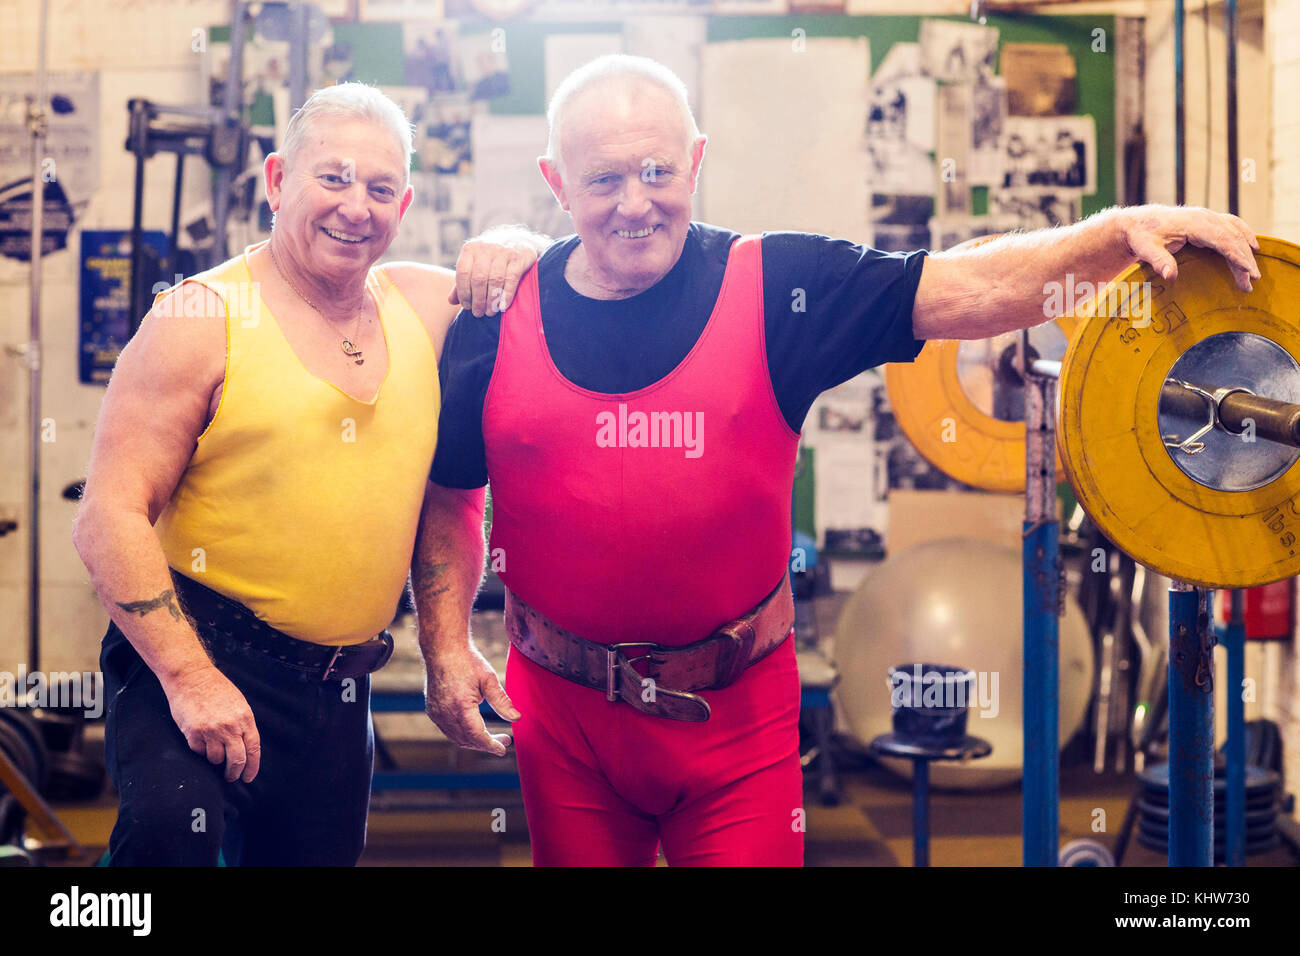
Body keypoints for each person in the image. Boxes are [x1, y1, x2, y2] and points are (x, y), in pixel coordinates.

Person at [412, 54, 1261, 867]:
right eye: (602, 180)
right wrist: (446, 649)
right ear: (557, 182)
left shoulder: (780, 287)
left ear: (696, 162)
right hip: (564, 722)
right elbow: (449, 494)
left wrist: (1113, 235)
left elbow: (963, 289)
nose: (636, 204)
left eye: (658, 173)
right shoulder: (495, 311)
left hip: (737, 721)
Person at [73, 82, 545, 866]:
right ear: (277, 181)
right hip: (196, 650)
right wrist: (191, 678)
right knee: (167, 845)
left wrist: (512, 237)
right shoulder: (199, 319)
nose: (355, 206)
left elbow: (542, 276)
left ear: (405, 202)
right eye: (333, 178)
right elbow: (107, 515)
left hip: (336, 686)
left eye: (380, 187)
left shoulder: (426, 308)